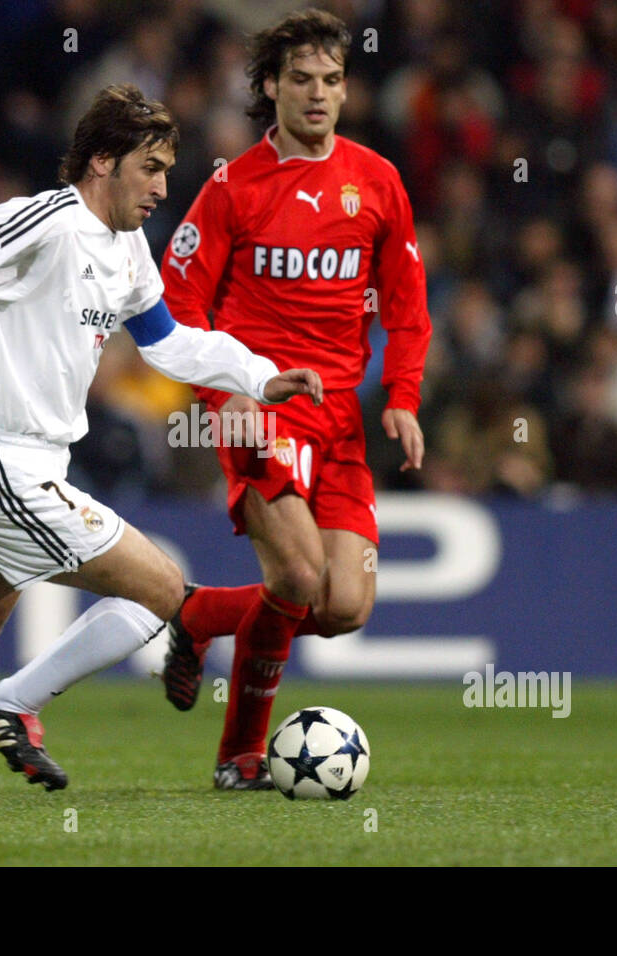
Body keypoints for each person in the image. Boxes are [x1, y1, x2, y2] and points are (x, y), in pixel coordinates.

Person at [0, 84, 322, 796]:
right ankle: (9, 706)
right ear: (102, 161)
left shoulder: (128, 248)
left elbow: (168, 343)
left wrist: (257, 375)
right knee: (160, 591)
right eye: (150, 168)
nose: (163, 188)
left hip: (31, 462)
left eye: (166, 171)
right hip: (0, 461)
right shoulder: (44, 222)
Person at [159, 9, 431, 788]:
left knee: (344, 607)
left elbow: (407, 304)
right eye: (302, 79)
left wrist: (403, 395)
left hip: (340, 418)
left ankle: (198, 614)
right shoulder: (232, 187)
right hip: (261, 410)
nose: (318, 94)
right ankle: (240, 755)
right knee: (300, 579)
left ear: (346, 90)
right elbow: (179, 303)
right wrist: (226, 389)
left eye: (332, 80)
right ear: (271, 87)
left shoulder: (376, 181)